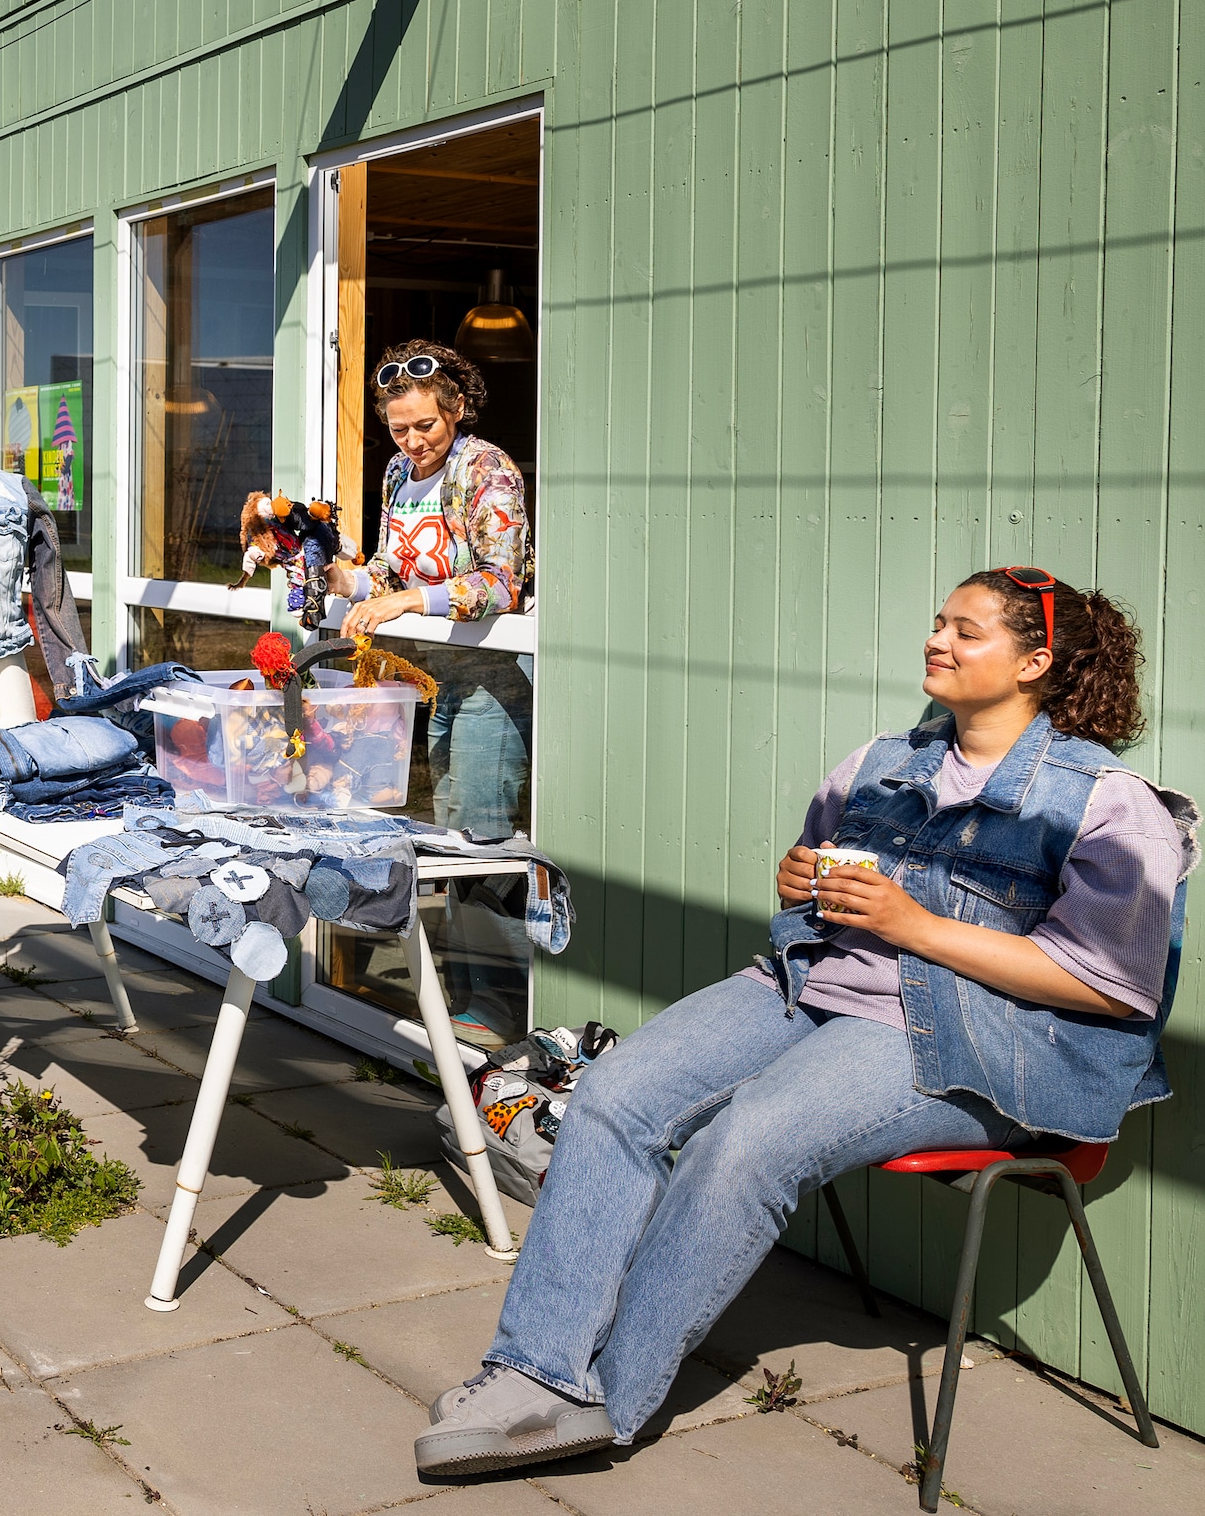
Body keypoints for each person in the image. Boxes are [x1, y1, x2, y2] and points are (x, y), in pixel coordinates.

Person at [413, 568, 1194, 1476]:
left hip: (966, 1034)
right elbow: (822, 872)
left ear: (1036, 661)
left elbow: (1110, 986)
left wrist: (916, 926)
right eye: (938, 621)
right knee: (614, 1096)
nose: (937, 640)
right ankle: (534, 1370)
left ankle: (604, 1403)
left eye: (967, 632)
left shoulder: (1102, 804)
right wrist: (800, 880)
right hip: (815, 982)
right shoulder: (883, 764)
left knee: (745, 1144)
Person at [338, 340, 535, 1045]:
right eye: (399, 428)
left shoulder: (487, 470)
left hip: (493, 680)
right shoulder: (397, 471)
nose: (413, 440)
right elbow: (389, 567)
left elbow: (499, 582)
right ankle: (474, 994)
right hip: (437, 678)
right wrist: (344, 582)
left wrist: (404, 603)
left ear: (456, 407)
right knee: (449, 836)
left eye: (427, 425)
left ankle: (510, 1009)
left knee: (480, 844)